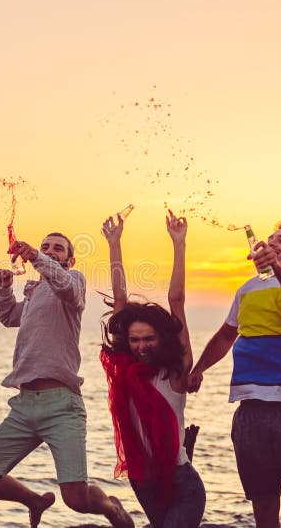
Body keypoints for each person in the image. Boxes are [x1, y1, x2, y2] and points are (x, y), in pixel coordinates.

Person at [0, 233, 134, 528]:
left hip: (62, 405)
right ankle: (34, 500)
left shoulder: (74, 282)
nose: (50, 251)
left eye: (58, 248)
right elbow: (8, 317)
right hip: (24, 406)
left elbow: (65, 286)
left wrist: (35, 256)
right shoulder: (34, 293)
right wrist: (4, 288)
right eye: (45, 246)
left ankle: (113, 508)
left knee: (76, 500)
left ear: (70, 259)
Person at [188, 220, 281, 528]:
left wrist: (275, 265)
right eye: (272, 238)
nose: (274, 242)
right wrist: (198, 369)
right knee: (263, 511)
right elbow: (225, 336)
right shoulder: (245, 289)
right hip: (250, 411)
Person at [99, 210, 205, 528]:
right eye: (134, 340)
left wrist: (179, 243)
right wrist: (114, 244)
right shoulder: (124, 370)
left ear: (161, 339)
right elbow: (120, 298)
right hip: (143, 481)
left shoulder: (174, 373)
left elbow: (177, 300)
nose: (141, 346)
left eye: (148, 339)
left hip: (183, 483)